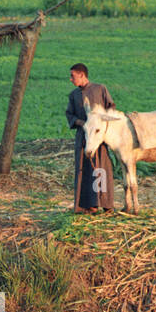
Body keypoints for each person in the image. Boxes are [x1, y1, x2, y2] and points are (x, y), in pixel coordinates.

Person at [66, 64, 115, 213]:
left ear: (82, 75)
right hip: (83, 137)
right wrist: (82, 123)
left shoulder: (100, 89)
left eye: (73, 76)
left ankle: (106, 204)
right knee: (84, 170)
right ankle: (88, 205)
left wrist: (100, 123)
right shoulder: (74, 95)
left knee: (102, 168)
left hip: (99, 138)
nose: (70, 79)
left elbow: (111, 107)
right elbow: (70, 115)